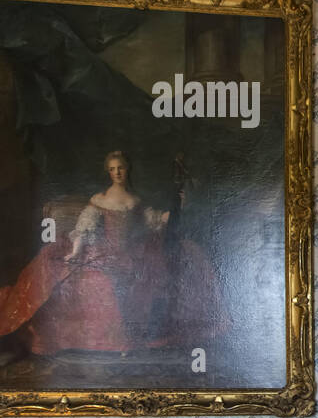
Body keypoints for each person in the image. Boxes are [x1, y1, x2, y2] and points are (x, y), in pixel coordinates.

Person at [0, 150, 225, 357]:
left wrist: (178, 205)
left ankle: (144, 332)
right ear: (108, 172)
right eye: (113, 169)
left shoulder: (135, 200)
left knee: (173, 263)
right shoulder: (100, 199)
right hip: (104, 250)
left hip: (131, 251)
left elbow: (154, 221)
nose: (117, 172)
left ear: (127, 170)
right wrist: (76, 252)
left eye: (121, 168)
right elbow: (84, 228)